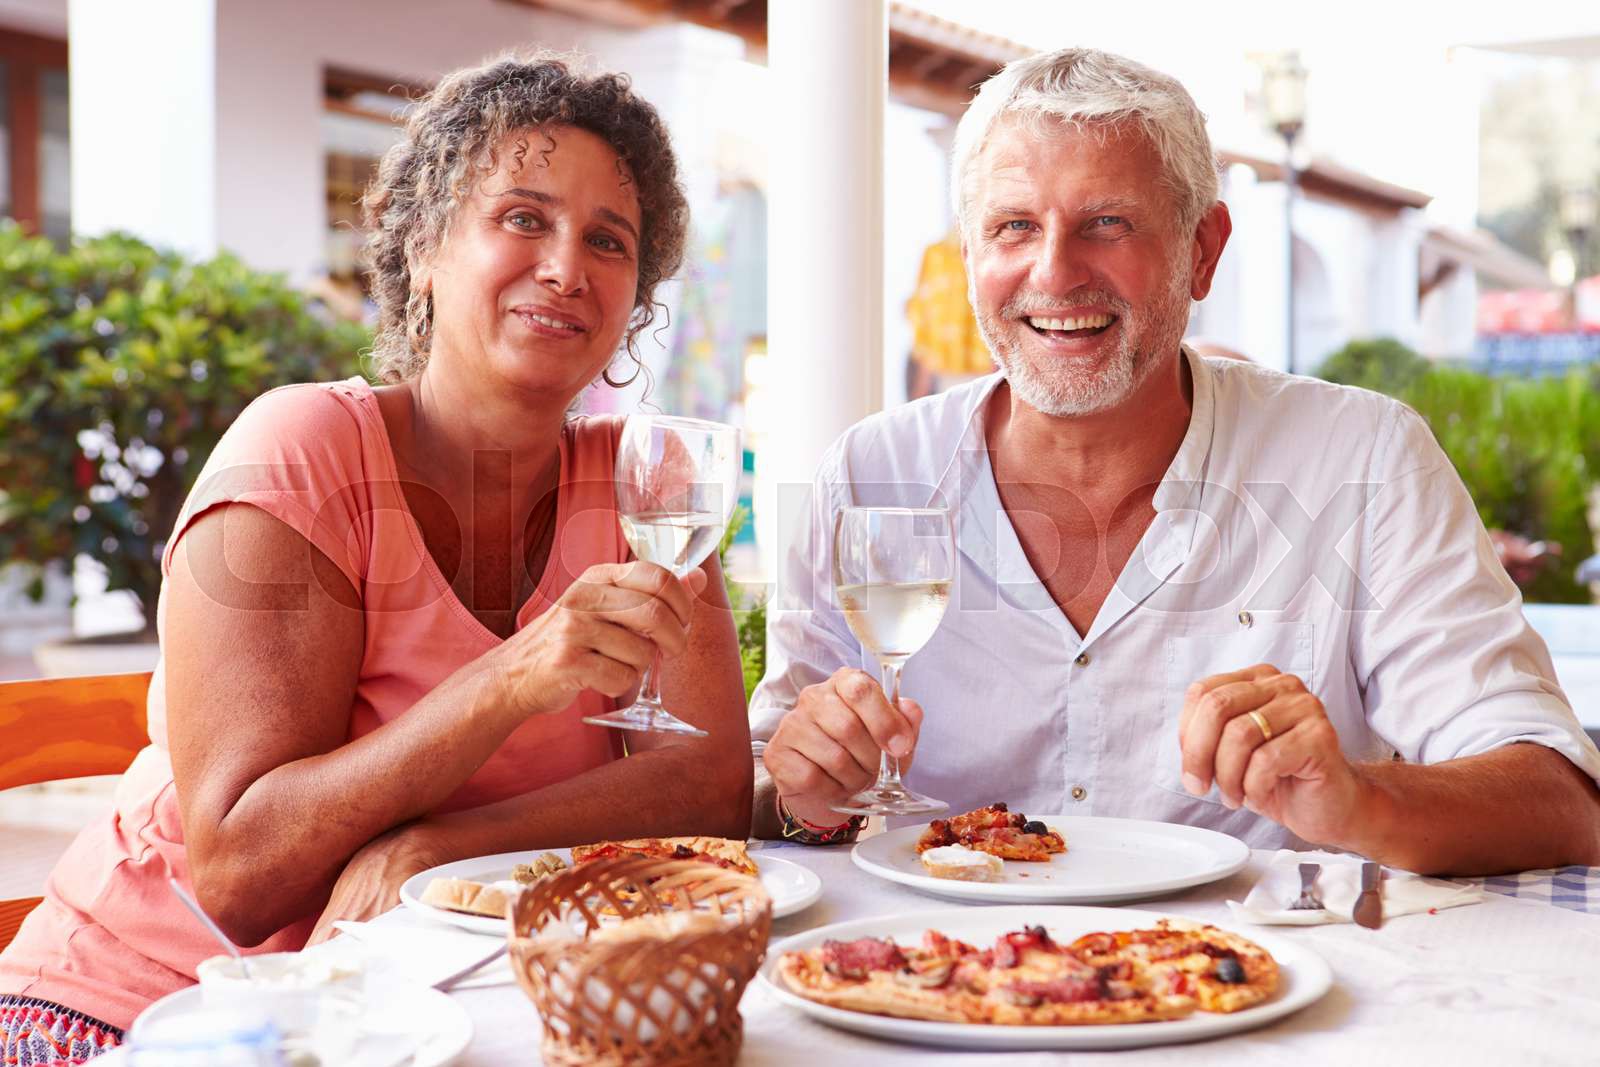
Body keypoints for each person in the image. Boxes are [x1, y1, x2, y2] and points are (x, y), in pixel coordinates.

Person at [0, 53, 751, 1060]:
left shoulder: (644, 478)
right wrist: (514, 678)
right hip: (158, 1005)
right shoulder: (303, 450)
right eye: (523, 218)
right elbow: (243, 869)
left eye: (607, 240)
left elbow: (705, 785)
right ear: (426, 246)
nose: (568, 265)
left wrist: (436, 847)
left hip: (441, 1009)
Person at [752, 48, 1600, 874]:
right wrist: (805, 796)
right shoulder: (868, 473)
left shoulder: (1364, 459)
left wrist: (1357, 800)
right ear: (972, 255)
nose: (1054, 271)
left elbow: (1558, 797)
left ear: (1203, 250)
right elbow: (768, 794)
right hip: (936, 981)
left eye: (1107, 224)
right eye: (1014, 226)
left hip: (1265, 992)